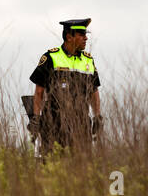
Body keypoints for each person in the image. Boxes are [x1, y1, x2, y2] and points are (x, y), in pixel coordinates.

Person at [28, 19, 103, 157]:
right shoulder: (51, 57)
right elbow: (39, 91)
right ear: (69, 37)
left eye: (85, 34)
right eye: (81, 34)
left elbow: (94, 91)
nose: (86, 38)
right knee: (51, 165)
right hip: (54, 125)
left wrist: (97, 116)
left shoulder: (88, 60)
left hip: (81, 124)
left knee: (82, 167)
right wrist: (36, 118)